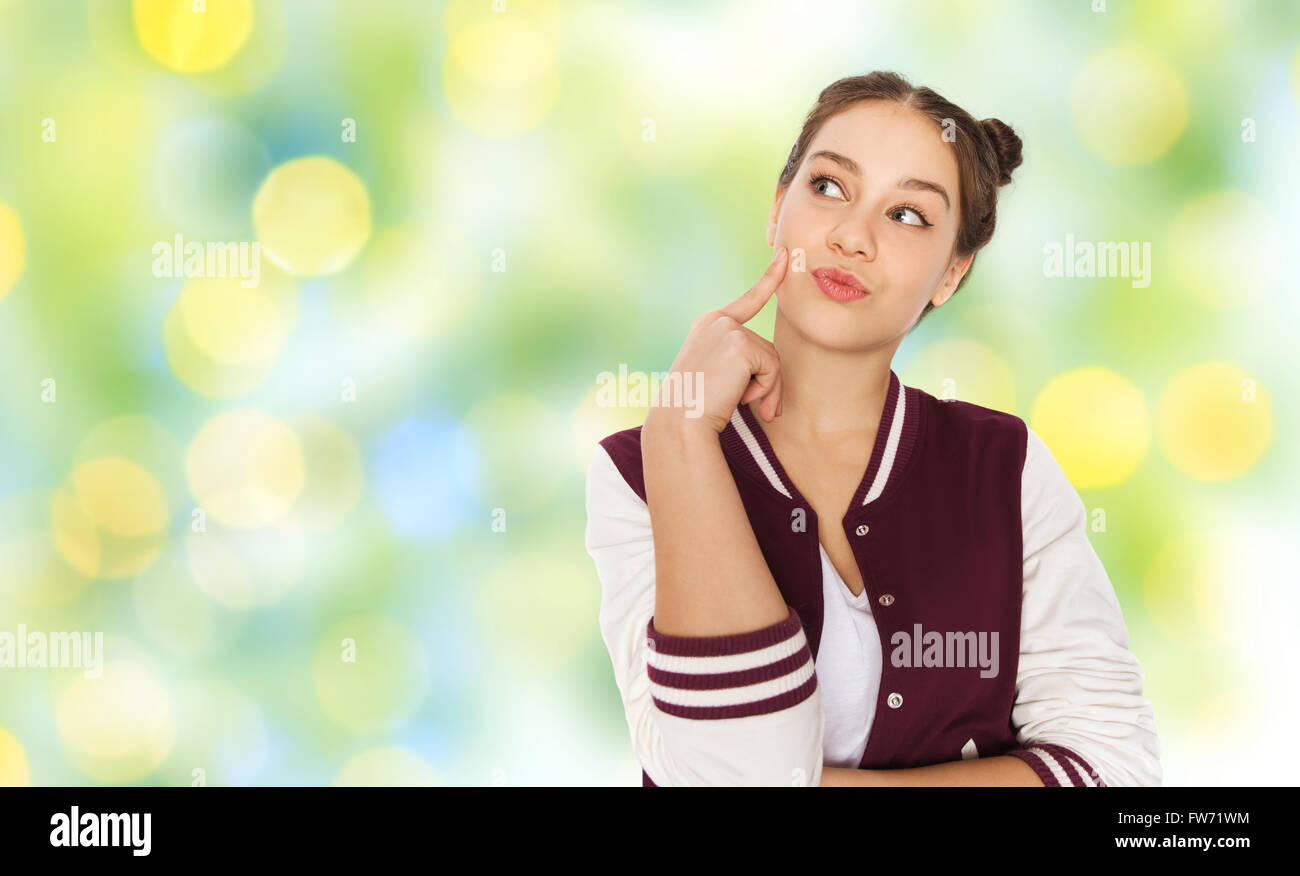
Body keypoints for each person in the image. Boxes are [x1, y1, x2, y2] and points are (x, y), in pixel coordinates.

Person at [584, 71, 1162, 787]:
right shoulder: (643, 470)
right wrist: (682, 434)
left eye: (908, 215)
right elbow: (729, 767)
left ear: (952, 273)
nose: (852, 237)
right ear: (776, 210)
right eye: (829, 187)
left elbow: (1114, 767)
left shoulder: (1004, 466)